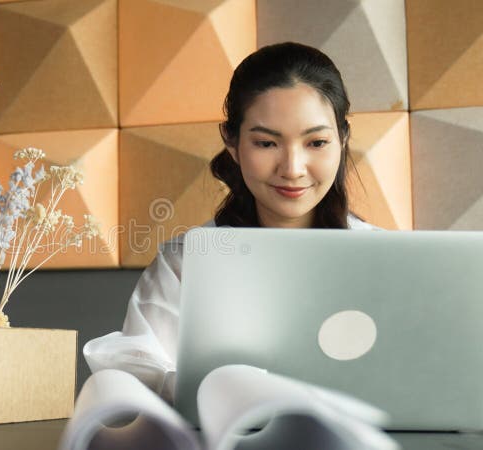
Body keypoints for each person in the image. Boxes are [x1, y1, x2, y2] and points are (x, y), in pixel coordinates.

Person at [83, 42, 380, 404]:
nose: (292, 169)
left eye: (316, 142)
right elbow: (139, 371)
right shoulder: (187, 261)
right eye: (267, 143)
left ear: (343, 139)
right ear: (233, 144)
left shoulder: (384, 259)